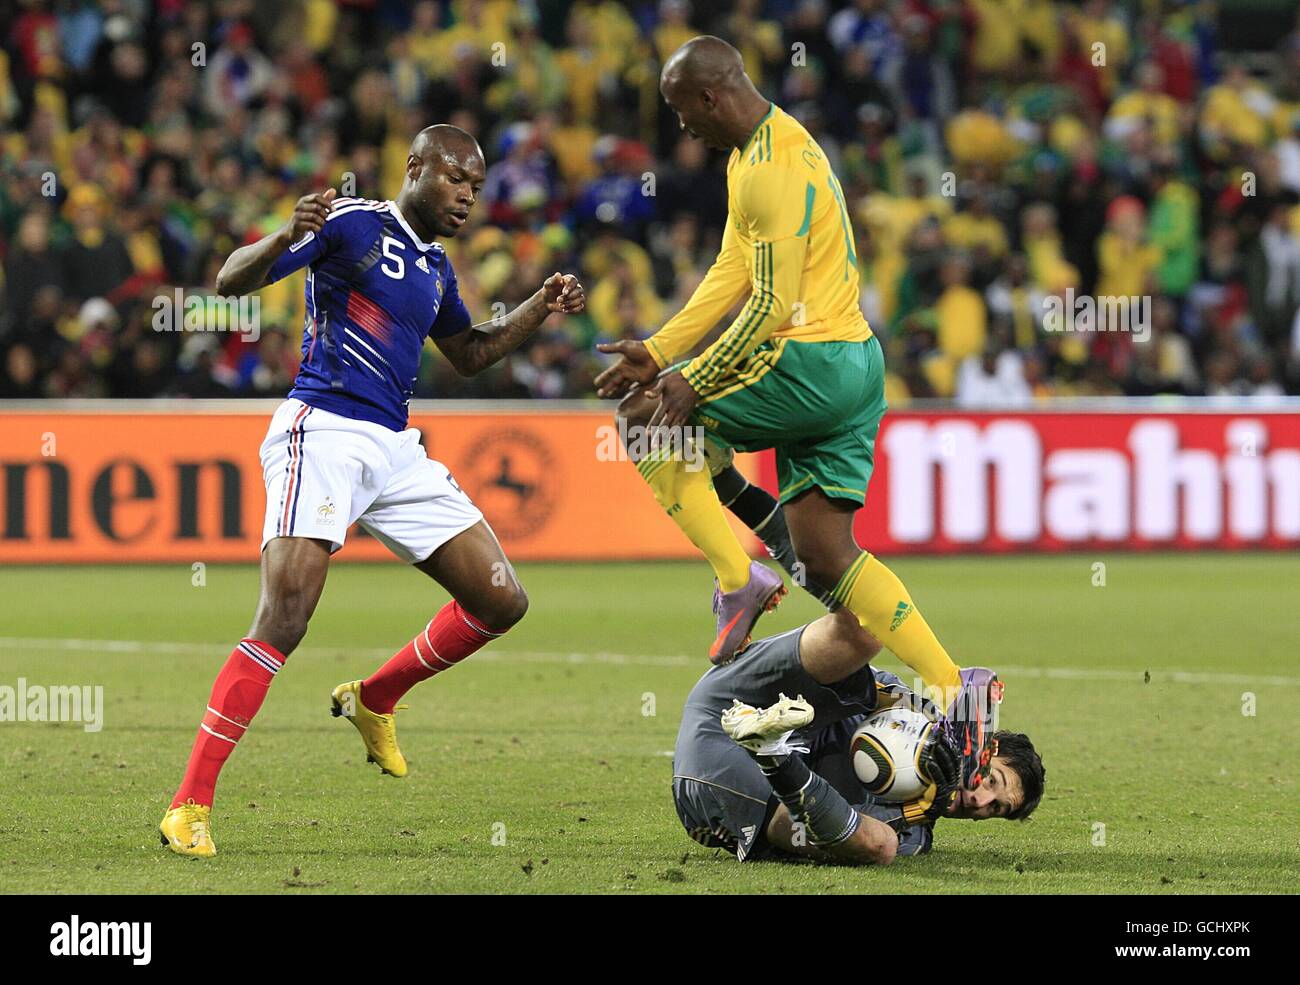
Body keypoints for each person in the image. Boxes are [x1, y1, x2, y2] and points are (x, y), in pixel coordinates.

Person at [159, 125, 585, 858]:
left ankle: (375, 696)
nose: (467, 197)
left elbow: (473, 353)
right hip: (322, 428)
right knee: (284, 617)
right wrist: (280, 236)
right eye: (456, 179)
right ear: (415, 168)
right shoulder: (353, 223)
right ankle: (189, 803)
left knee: (501, 598)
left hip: (394, 445)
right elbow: (230, 281)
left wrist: (538, 306)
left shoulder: (436, 267)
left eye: (478, 188)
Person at [594, 36, 999, 786]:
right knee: (825, 555)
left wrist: (691, 376)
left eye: (684, 114)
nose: (682, 130)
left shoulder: (771, 167)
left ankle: (735, 575)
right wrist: (659, 347)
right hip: (856, 367)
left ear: (710, 98)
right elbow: (730, 271)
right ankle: (954, 688)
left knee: (647, 418)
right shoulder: (761, 150)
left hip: (808, 359)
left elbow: (771, 302)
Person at [673, 610, 1046, 864]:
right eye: (992, 780)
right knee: (866, 633)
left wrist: (912, 811)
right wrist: (932, 720)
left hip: (725, 786)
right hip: (729, 701)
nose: (979, 801)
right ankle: (740, 585)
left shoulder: (912, 838)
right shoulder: (910, 715)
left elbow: (842, 842)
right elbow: (878, 685)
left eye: (995, 809)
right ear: (982, 747)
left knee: (879, 847)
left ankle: (772, 753)